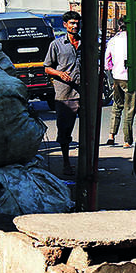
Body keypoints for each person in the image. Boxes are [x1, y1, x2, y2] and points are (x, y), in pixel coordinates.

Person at [43, 10, 81, 176]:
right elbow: (47, 67)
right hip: (65, 94)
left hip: (84, 93)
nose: (75, 26)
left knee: (89, 131)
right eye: (72, 23)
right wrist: (59, 74)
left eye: (77, 23)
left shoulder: (84, 43)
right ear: (65, 25)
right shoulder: (56, 45)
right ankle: (66, 162)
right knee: (65, 131)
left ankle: (87, 163)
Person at [104, 16, 135, 148]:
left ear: (119, 27)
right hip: (129, 78)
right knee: (129, 109)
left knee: (117, 106)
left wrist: (113, 70)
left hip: (116, 77)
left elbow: (107, 61)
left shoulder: (113, 40)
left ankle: (111, 135)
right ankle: (127, 140)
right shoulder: (133, 40)